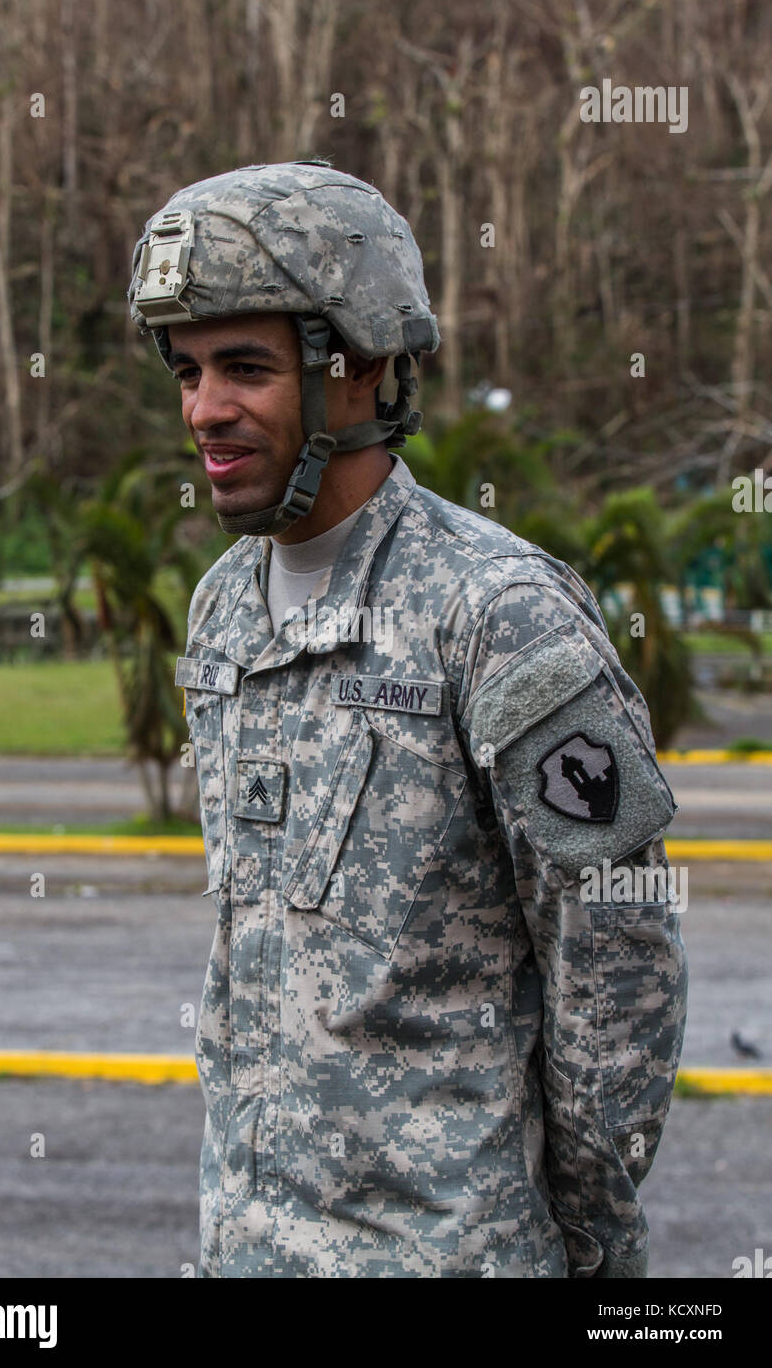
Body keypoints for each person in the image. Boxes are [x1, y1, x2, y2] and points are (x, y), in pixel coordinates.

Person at [128, 159, 688, 1279]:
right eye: (187, 371)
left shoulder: (494, 613)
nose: (203, 410)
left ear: (363, 366)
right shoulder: (224, 605)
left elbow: (617, 958)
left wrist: (579, 1239)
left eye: (244, 366)